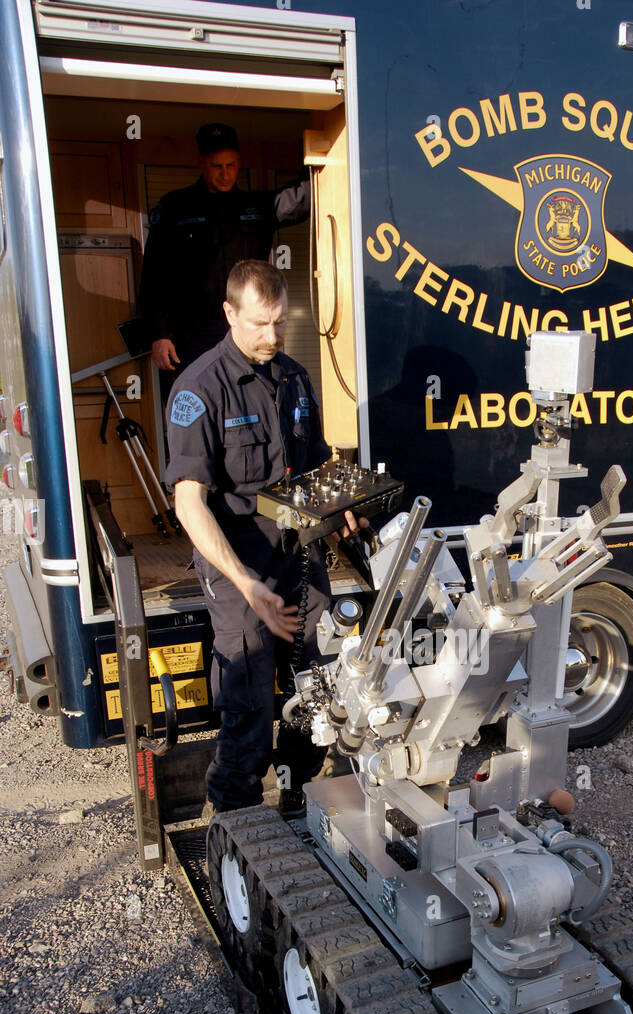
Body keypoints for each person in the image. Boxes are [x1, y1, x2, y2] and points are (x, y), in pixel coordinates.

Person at [165, 259, 365, 814]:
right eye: (258, 323)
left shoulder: (295, 378)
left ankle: (300, 798)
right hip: (238, 566)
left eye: (279, 321)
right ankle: (236, 822)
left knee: (319, 684)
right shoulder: (199, 390)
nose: (271, 336)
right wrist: (247, 585)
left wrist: (347, 507)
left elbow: (316, 468)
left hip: (298, 559)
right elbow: (189, 504)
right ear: (229, 314)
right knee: (249, 700)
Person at [139, 122, 310, 374]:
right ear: (201, 163)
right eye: (216, 166)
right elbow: (154, 275)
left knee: (252, 399)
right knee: (200, 403)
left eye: (230, 165)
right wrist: (159, 334)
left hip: (247, 328)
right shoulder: (176, 207)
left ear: (239, 162)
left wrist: (315, 153)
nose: (225, 174)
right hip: (193, 333)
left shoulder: (255, 207)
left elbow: (301, 198)